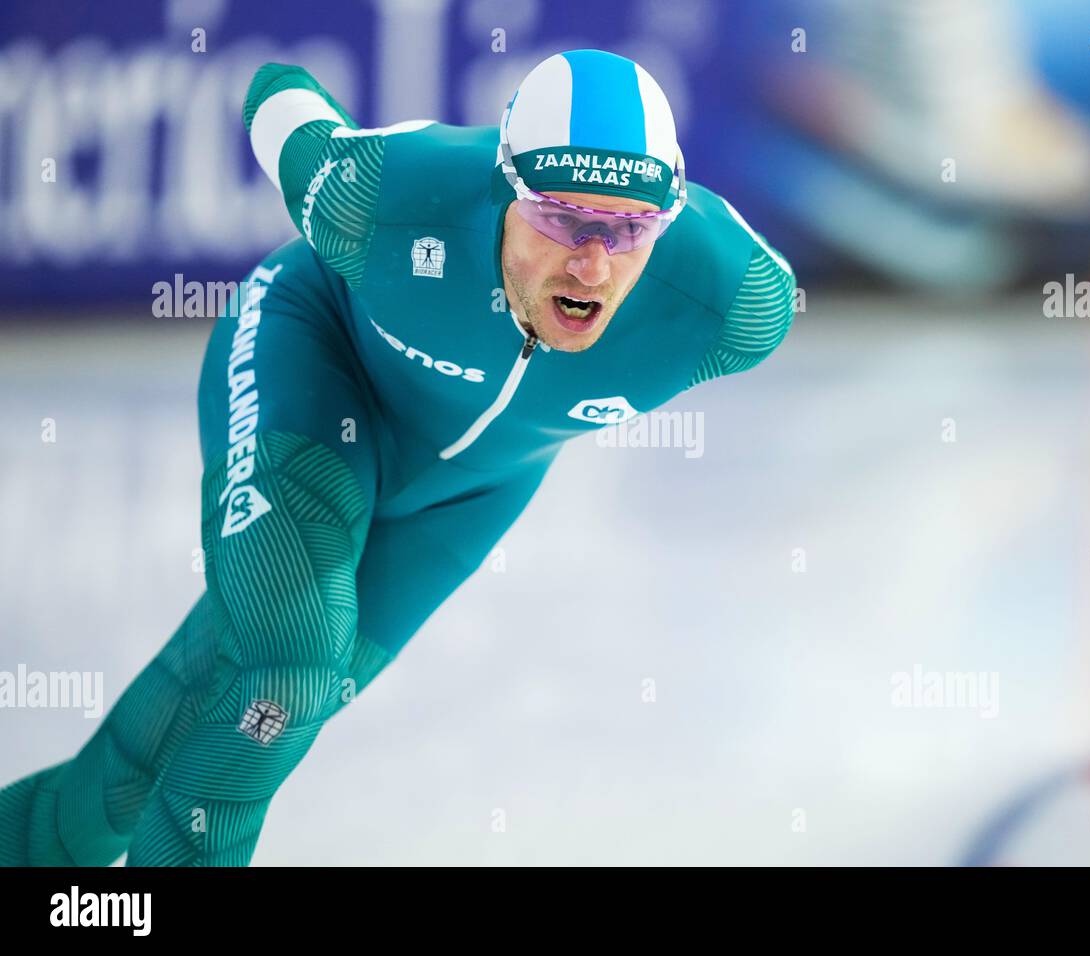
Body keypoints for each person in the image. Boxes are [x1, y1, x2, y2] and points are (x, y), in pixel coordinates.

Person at [0, 48, 796, 866]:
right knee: (289, 668)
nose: (594, 263)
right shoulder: (376, 199)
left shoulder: (735, 303)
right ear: (501, 189)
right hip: (313, 369)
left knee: (232, 721)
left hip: (465, 499)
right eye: (562, 218)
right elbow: (277, 90)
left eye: (630, 228)